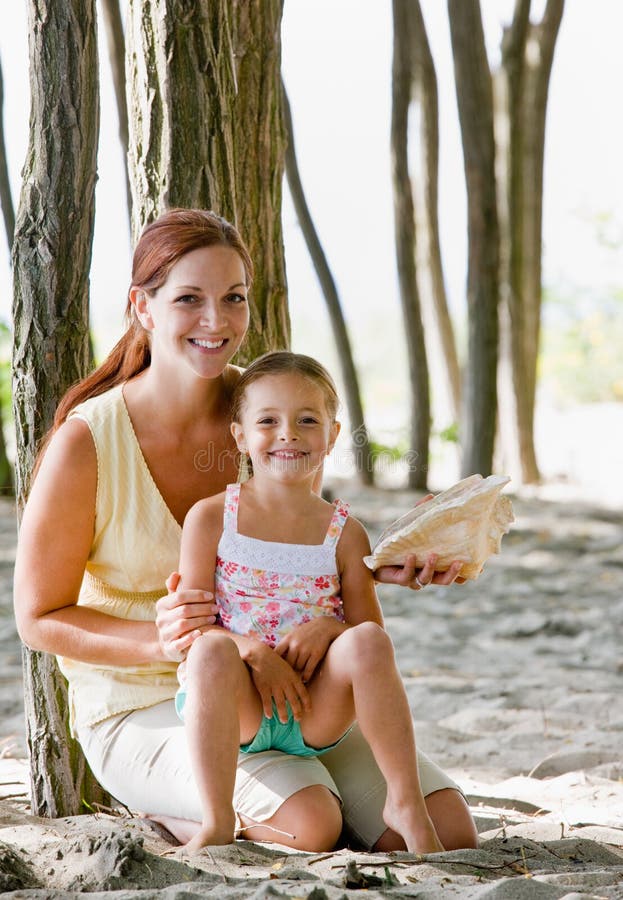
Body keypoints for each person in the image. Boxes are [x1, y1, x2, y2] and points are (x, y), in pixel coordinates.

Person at [13, 207, 478, 853]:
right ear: (143, 307)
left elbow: (304, 561)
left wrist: (380, 570)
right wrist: (170, 642)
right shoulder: (87, 442)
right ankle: (178, 818)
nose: (217, 321)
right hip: (150, 704)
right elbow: (38, 619)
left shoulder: (269, 411)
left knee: (449, 830)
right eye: (189, 299)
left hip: (290, 695)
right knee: (311, 824)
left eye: (233, 298)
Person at [175, 350, 447, 853]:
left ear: (333, 434)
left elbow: (369, 639)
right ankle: (216, 819)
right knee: (210, 649)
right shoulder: (211, 518)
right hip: (238, 707)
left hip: (314, 710)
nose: (288, 435)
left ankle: (405, 802)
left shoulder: (345, 533)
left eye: (307, 421)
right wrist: (254, 653)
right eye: (268, 421)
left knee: (366, 641)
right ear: (240, 435)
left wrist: (330, 626)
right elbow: (192, 630)